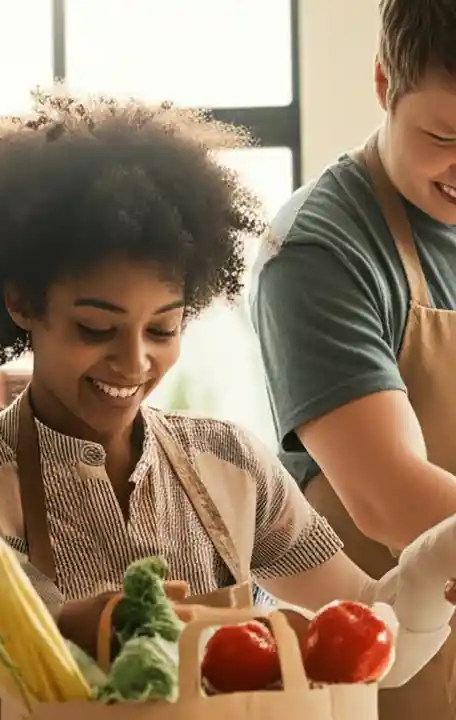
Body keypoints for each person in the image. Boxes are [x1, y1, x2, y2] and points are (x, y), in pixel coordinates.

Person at [0, 90, 456, 710]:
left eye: (163, 329)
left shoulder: (233, 466)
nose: (135, 361)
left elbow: (378, 635)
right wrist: (62, 633)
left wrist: (439, 558)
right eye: (96, 329)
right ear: (22, 303)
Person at [251, 0, 456, 714]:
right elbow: (389, 499)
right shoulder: (319, 253)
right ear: (382, 82)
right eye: (444, 135)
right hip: (389, 667)